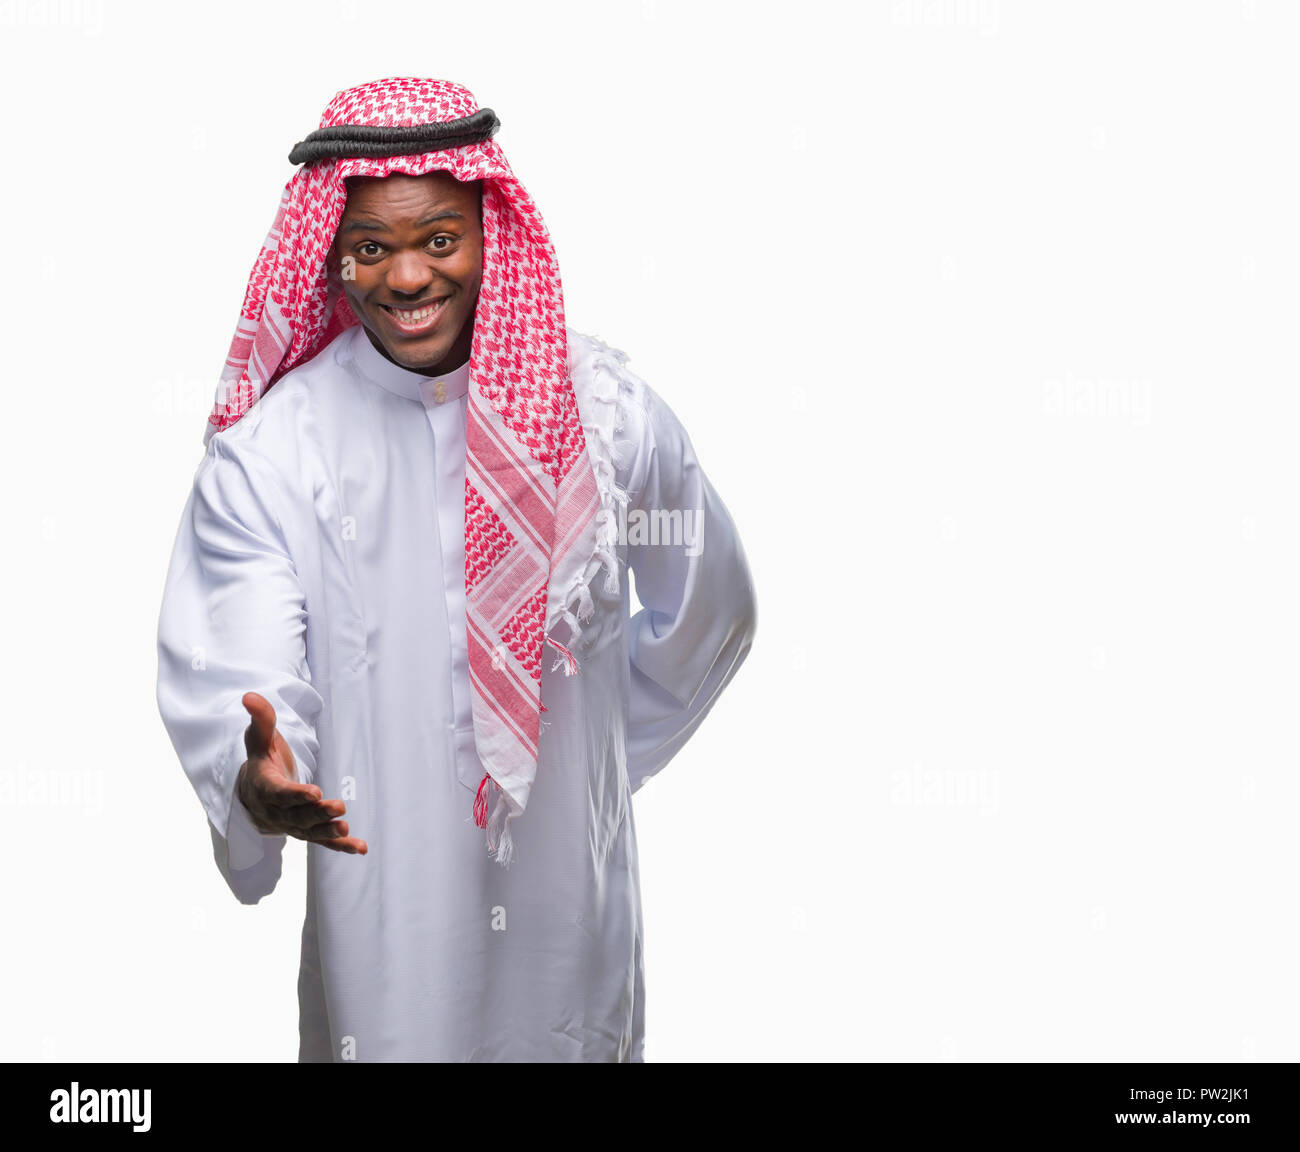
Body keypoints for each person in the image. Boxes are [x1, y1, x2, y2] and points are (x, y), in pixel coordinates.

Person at [155, 77, 757, 1062]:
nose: (405, 276)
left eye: (439, 239)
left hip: (569, 921)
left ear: (490, 231)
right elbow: (245, 664)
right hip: (381, 930)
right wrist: (259, 771)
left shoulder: (606, 416)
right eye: (370, 246)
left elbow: (712, 613)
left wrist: (593, 758)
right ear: (331, 256)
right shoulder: (274, 454)